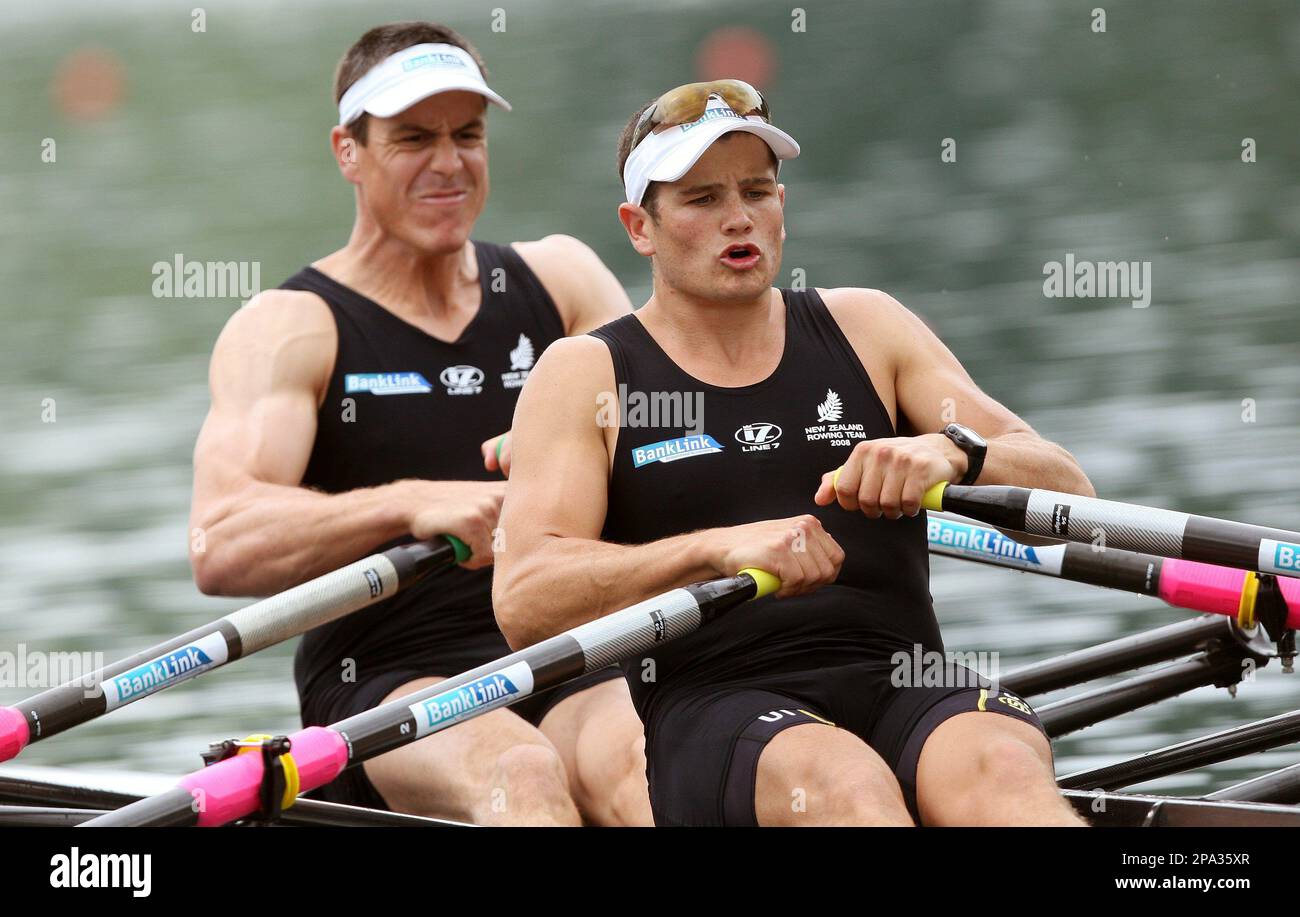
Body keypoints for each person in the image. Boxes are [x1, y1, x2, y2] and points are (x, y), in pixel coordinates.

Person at [494, 82, 1093, 826]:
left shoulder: (868, 327)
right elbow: (524, 600)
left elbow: (1073, 498)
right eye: (702, 198)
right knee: (847, 785)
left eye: (757, 190)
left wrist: (954, 453)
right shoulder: (585, 372)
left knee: (1005, 760)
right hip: (718, 704)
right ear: (638, 227)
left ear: (785, 208)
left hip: (902, 677)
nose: (738, 217)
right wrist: (712, 549)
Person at [188, 22, 650, 826]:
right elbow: (221, 539)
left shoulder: (561, 281)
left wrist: (582, 447)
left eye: (467, 134)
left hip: (567, 650)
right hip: (389, 676)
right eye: (412, 138)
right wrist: (406, 504)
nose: (448, 162)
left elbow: (678, 439)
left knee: (643, 771)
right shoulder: (294, 328)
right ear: (348, 151)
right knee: (523, 772)